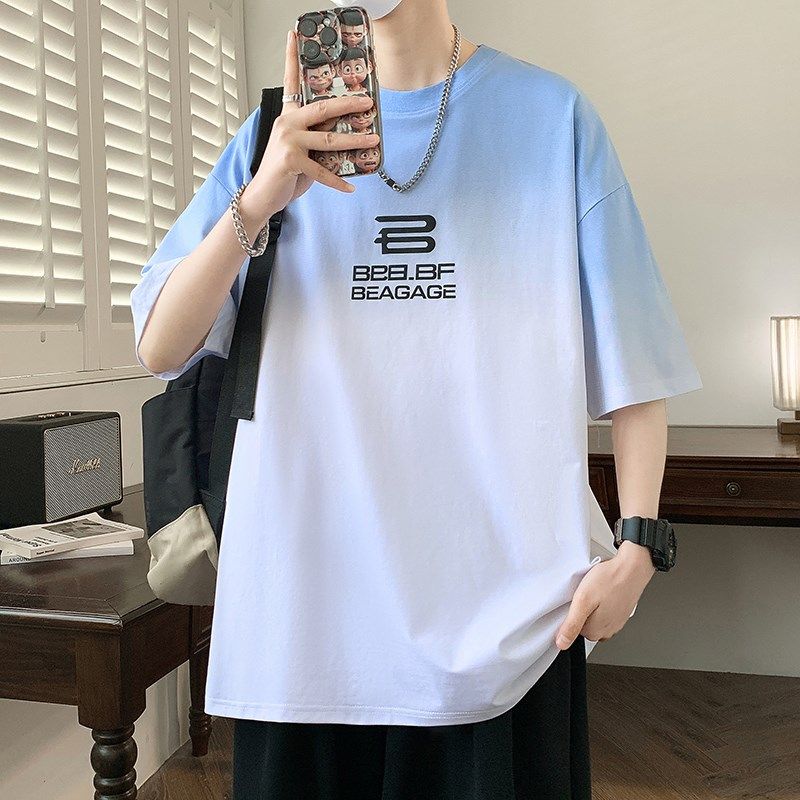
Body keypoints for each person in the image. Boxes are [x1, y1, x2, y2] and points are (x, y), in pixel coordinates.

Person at [130, 0, 703, 797]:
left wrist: (638, 548)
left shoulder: (553, 118)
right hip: (309, 624)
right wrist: (260, 197)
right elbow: (161, 347)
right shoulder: (277, 134)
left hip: (506, 625)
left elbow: (635, 361)